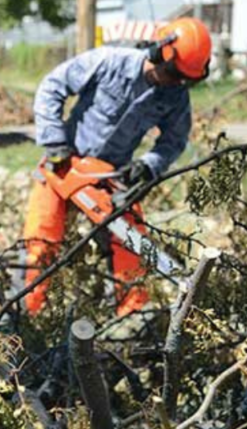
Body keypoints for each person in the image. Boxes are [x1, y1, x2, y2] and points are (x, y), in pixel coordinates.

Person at [21, 17, 212, 317]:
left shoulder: (175, 94)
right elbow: (52, 86)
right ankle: (26, 315)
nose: (177, 81)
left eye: (186, 78)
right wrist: (55, 142)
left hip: (111, 176)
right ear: (159, 51)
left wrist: (149, 166)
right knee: (41, 241)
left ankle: (132, 321)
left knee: (131, 243)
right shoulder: (109, 62)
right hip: (64, 163)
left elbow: (175, 140)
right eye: (175, 73)